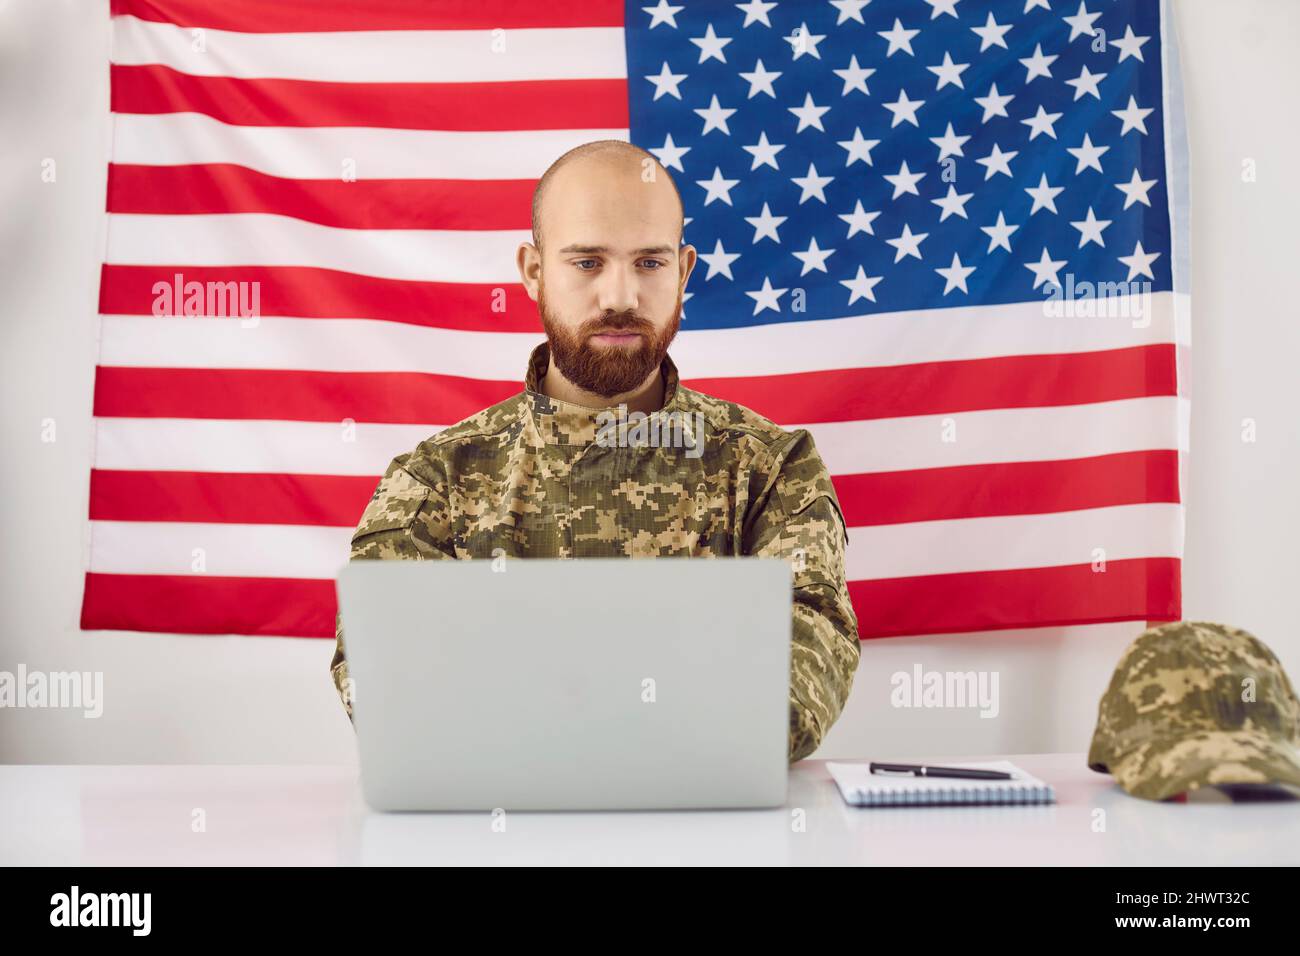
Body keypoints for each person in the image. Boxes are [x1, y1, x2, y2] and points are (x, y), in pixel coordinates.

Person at [330, 140, 860, 762]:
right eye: (587, 262)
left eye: (649, 264)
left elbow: (806, 662)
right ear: (533, 272)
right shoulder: (437, 479)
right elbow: (386, 677)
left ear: (684, 270)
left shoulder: (771, 469)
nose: (621, 297)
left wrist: (550, 718)